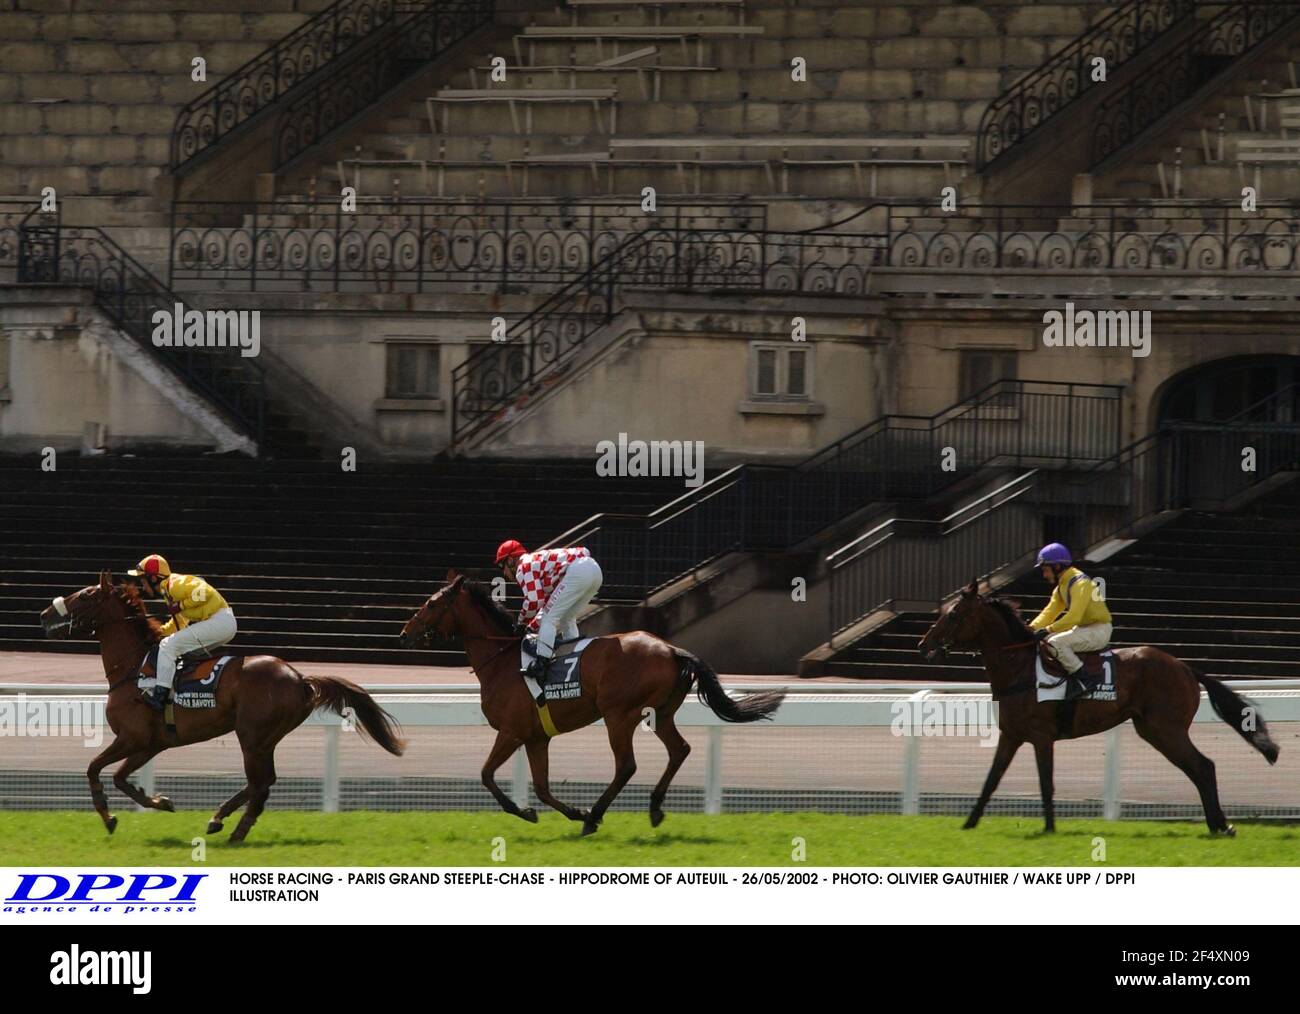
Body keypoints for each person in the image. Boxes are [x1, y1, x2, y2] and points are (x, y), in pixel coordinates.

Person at [125, 554, 237, 710]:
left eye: (143, 580)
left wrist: (180, 605)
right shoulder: (169, 591)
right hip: (222, 623)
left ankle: (160, 696)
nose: (142, 586)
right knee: (180, 650)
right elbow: (179, 623)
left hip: (219, 621)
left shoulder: (174, 584)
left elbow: (204, 592)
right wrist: (158, 632)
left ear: (153, 578)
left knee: (167, 646)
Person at [495, 539, 603, 680]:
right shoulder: (537, 567)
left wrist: (521, 623)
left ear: (510, 560)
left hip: (579, 571)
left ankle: (541, 665)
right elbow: (546, 604)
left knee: (549, 619)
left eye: (502, 566)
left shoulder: (523, 566)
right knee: (566, 617)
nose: (504, 573)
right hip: (594, 571)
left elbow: (534, 600)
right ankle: (576, 656)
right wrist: (530, 626)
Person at [1028, 542, 1113, 699]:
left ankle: (1085, 681)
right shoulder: (1062, 586)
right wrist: (1030, 629)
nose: (1044, 575)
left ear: (1058, 566)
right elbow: (1049, 613)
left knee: (1055, 643)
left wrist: (1048, 629)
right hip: (1084, 629)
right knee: (1045, 641)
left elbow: (1074, 616)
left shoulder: (1081, 583)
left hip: (1099, 630)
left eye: (1046, 569)